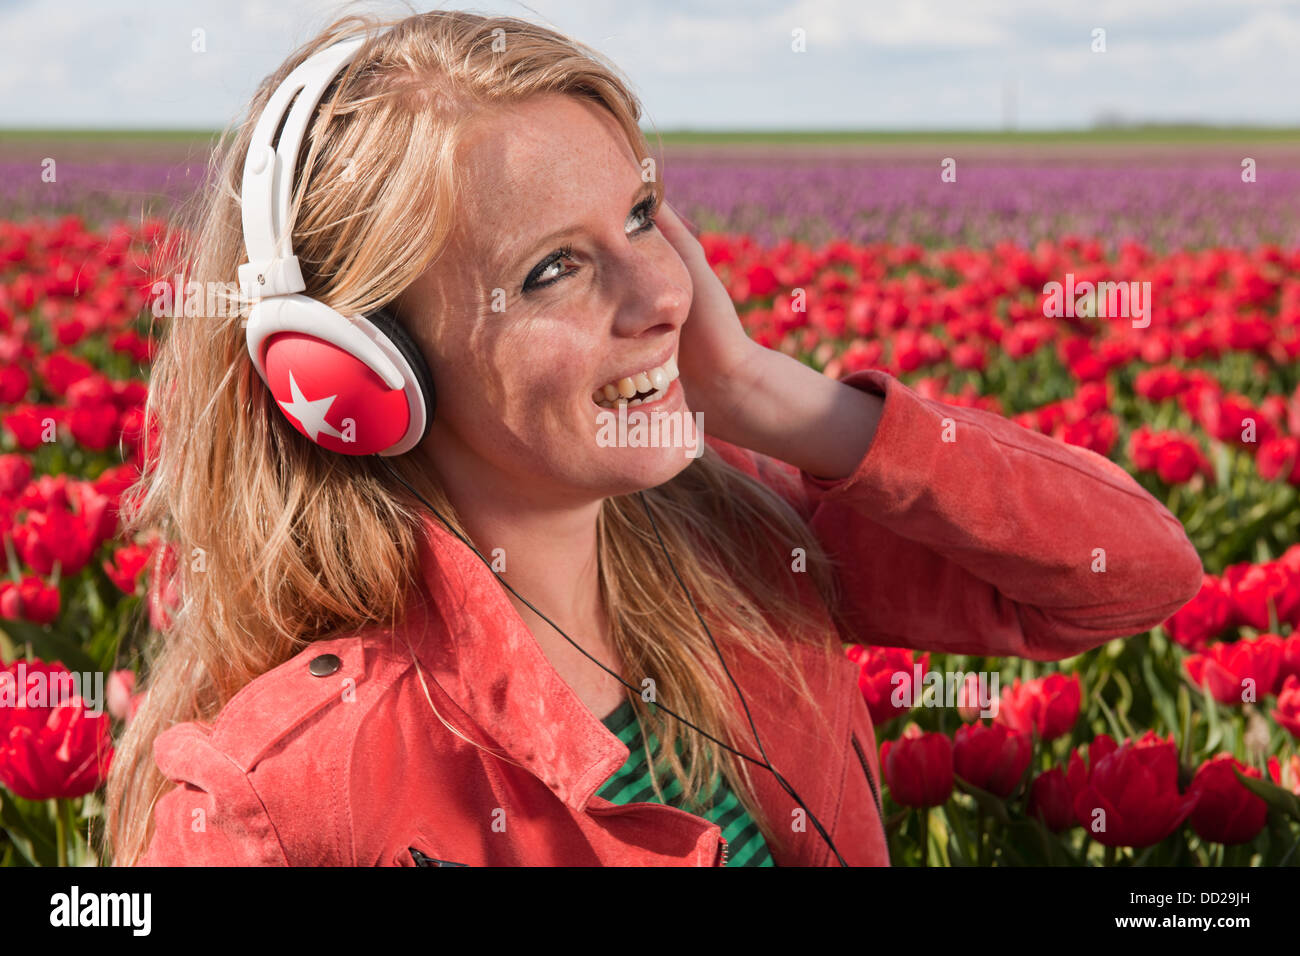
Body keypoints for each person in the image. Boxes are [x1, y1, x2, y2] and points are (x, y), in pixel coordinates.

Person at [105, 10, 1203, 867]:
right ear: (355, 374)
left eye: (638, 218)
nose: (662, 295)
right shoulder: (279, 796)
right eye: (552, 269)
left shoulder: (750, 542)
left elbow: (1130, 576)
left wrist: (771, 396)